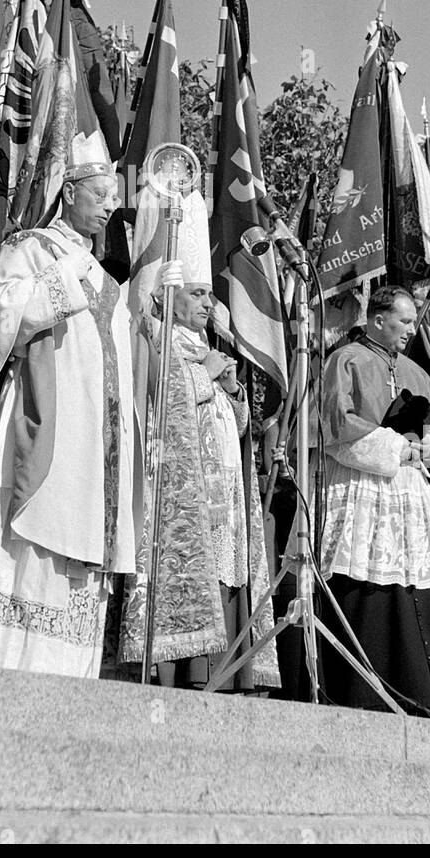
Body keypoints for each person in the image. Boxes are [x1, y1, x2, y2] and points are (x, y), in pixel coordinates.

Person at [0, 139, 140, 677]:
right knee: (26, 535)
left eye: (112, 197)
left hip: (91, 443)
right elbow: (0, 312)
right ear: (68, 192)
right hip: (42, 423)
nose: (107, 206)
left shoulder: (103, 276)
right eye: (98, 194)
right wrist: (68, 274)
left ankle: (64, 670)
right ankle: (3, 659)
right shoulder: (32, 247)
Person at [118, 196, 279, 690]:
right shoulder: (155, 339)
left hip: (224, 491)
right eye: (198, 294)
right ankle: (179, 669)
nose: (209, 304)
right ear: (169, 298)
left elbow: (235, 426)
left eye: (210, 296)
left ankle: (227, 671)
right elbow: (157, 404)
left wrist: (231, 393)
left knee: (228, 571)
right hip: (182, 495)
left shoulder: (210, 349)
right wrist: (204, 380)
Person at [314, 284, 430, 716]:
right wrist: (396, 448)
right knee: (366, 583)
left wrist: (429, 448)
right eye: (404, 321)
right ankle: (362, 690)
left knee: (415, 584)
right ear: (377, 319)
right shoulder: (344, 360)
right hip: (361, 487)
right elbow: (335, 427)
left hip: (408, 493)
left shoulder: (415, 371)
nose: (411, 329)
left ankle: (428, 695)